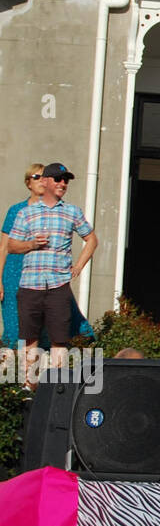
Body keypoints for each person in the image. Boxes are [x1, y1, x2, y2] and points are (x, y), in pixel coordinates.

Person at [6, 162, 98, 388]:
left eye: (66, 180)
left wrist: (78, 266)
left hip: (58, 285)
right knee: (29, 338)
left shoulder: (72, 212)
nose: (63, 184)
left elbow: (91, 239)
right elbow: (11, 245)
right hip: (30, 284)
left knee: (59, 339)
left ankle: (54, 388)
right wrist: (30, 244)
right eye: (58, 179)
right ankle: (29, 386)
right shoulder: (26, 213)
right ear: (45, 181)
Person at [1, 163, 46, 348]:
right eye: (37, 177)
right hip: (14, 274)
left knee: (40, 328)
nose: (42, 181)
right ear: (28, 183)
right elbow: (3, 247)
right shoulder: (16, 210)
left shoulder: (54, 210)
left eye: (45, 177)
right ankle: (11, 373)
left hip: (40, 276)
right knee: (13, 327)